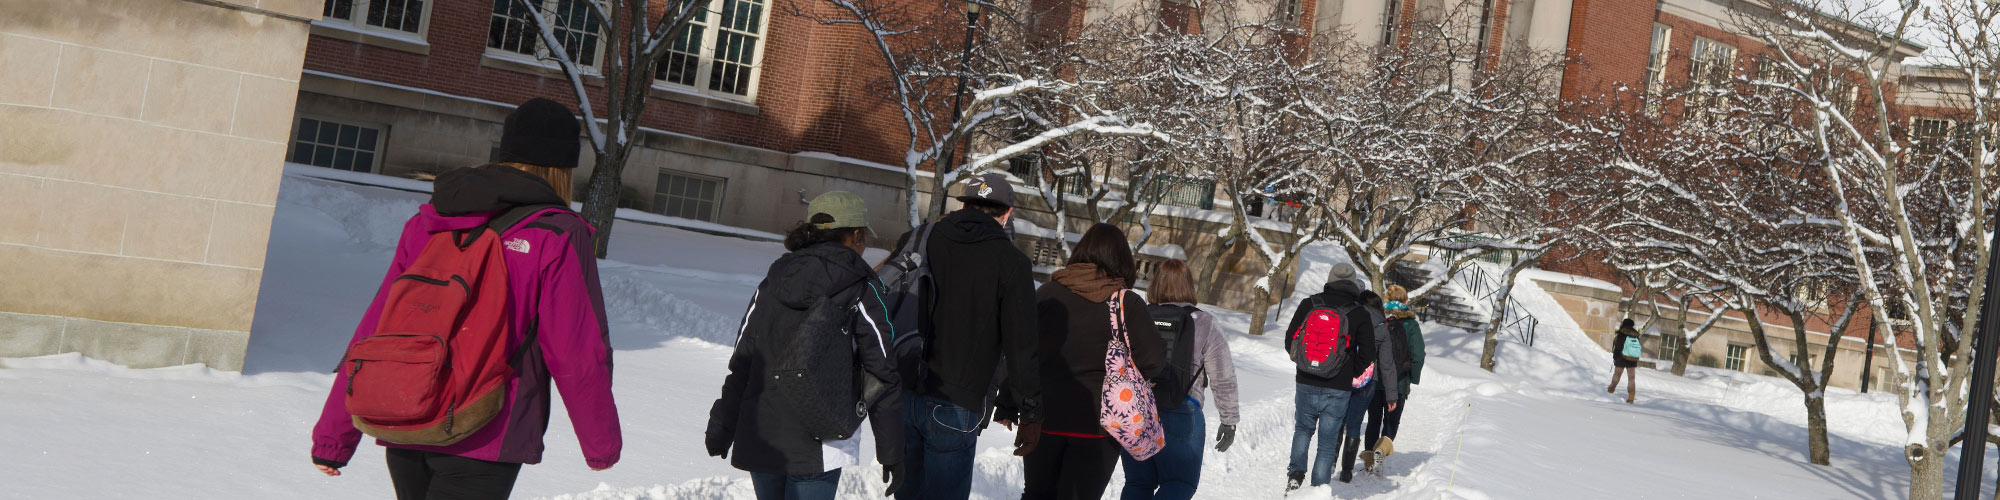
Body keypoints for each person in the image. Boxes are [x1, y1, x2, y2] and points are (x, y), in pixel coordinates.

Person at [311, 98, 621, 499]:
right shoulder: (557, 234)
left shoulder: (429, 223)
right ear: (562, 168)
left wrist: (334, 438)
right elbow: (576, 349)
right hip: (484, 431)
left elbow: (377, 328)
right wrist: (601, 444)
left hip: (408, 417)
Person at [704, 191, 903, 500]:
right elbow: (883, 371)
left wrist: (722, 426)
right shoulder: (861, 287)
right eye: (863, 238)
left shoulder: (773, 280)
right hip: (821, 440)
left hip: (763, 433)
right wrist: (892, 451)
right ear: (855, 235)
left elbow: (744, 358)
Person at [897, 173, 1043, 500]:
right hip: (957, 401)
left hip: (903, 390)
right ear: (1007, 213)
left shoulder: (920, 237)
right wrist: (1030, 411)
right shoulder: (1011, 262)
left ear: (962, 205)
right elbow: (1021, 346)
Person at [1013, 223, 1165, 500]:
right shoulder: (1125, 304)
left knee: (1036, 494)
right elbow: (1153, 360)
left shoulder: (1047, 294)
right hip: (1099, 424)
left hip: (1042, 417)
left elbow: (1021, 352)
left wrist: (1012, 400)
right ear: (1122, 260)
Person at [1119, 259, 1240, 500]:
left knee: (1137, 483)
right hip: (1182, 411)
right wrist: (1229, 420)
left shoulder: (1136, 316)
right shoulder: (1204, 322)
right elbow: (1223, 377)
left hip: (1136, 411)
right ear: (1189, 286)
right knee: (1179, 483)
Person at [1281, 263, 1398, 492]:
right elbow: (1367, 354)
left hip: (1305, 381)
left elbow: (1290, 339)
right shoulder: (1359, 312)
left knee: (1303, 429)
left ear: (1330, 278)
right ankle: (1318, 490)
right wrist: (1349, 371)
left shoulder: (1310, 303)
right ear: (1353, 283)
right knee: (1328, 438)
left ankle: (1295, 475)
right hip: (1338, 386)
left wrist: (1304, 364)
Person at [1361, 285, 1425, 473]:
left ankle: (1369, 459)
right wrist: (1412, 377)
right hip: (1398, 382)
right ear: (1406, 301)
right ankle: (1381, 449)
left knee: (1373, 418)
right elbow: (1418, 355)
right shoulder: (1411, 325)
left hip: (1375, 378)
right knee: (1391, 421)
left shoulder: (1378, 319)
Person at [1333, 291, 1394, 483]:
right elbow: (1387, 363)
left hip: (1343, 376)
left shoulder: (1350, 315)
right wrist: (1392, 395)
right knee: (1354, 423)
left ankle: (1330, 464)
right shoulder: (1382, 326)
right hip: (1368, 381)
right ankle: (1347, 472)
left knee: (1337, 421)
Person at [1609, 318, 1640, 403]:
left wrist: (1615, 356)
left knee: (1617, 375)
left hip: (1621, 357)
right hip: (1632, 358)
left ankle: (1610, 391)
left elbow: (1618, 346)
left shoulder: (1621, 333)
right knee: (1631, 378)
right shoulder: (1635, 334)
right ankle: (1631, 396)